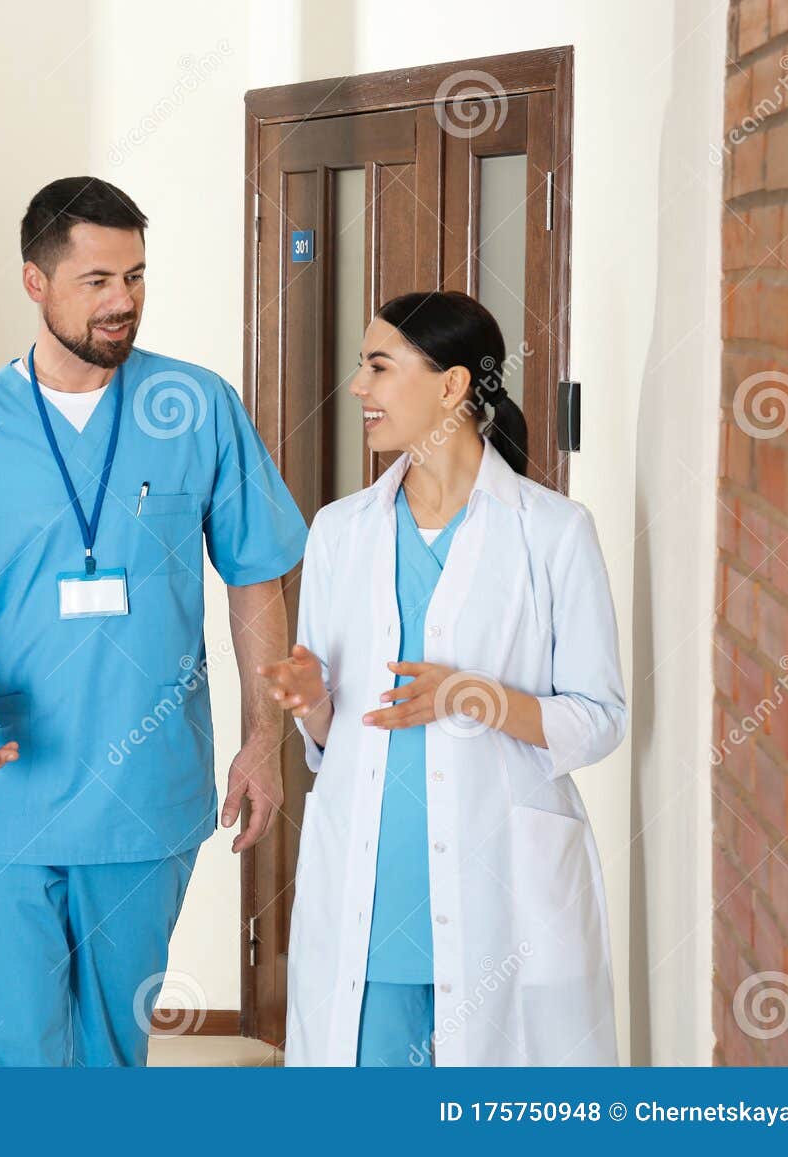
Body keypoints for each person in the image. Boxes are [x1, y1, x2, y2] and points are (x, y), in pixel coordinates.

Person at [0, 177, 308, 1066]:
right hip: (7, 795)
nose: (124, 302)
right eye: (98, 280)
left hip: (144, 795)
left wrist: (264, 740)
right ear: (36, 282)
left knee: (114, 1052)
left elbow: (256, 580)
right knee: (13, 1054)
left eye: (138, 277)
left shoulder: (196, 408)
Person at [265, 290, 626, 1067]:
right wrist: (314, 701)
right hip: (373, 887)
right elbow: (331, 735)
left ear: (454, 385)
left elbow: (601, 717)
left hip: (502, 889)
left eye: (379, 366)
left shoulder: (554, 532)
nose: (358, 386)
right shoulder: (339, 530)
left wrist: (479, 697)